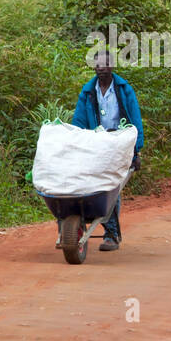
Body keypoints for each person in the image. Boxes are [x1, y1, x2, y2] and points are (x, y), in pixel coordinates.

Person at [68, 51, 143, 251]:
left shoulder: (124, 90)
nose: (101, 68)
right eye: (98, 64)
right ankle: (83, 222)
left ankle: (111, 233)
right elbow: (79, 121)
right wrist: (76, 143)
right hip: (96, 144)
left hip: (118, 144)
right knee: (91, 184)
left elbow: (135, 120)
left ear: (112, 66)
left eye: (105, 64)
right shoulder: (88, 91)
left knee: (111, 187)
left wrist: (136, 152)